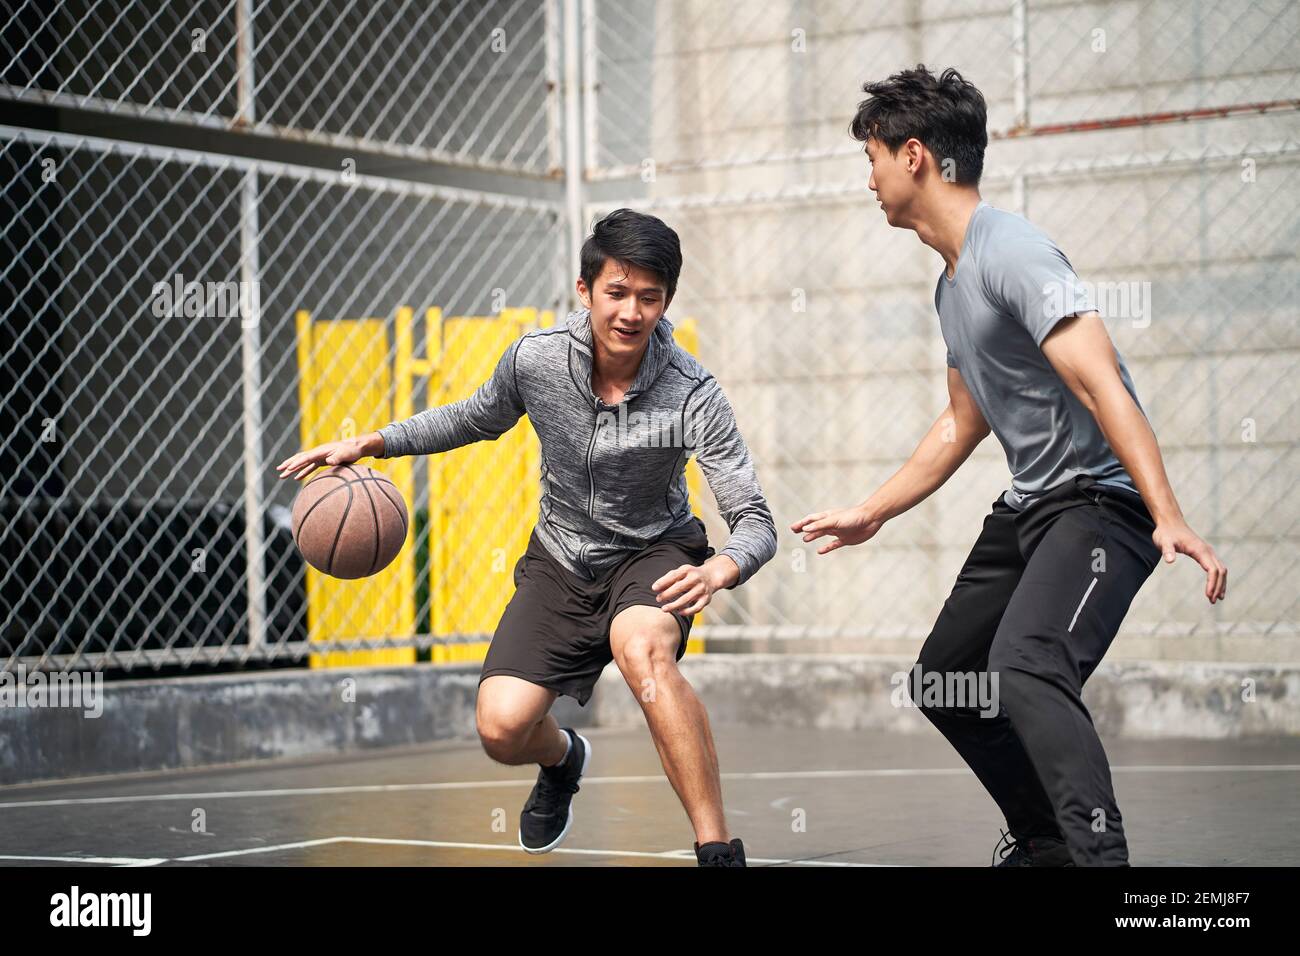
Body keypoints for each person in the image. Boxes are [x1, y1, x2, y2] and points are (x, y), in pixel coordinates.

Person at [792, 65, 1227, 866]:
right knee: (945, 679)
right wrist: (873, 510)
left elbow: (1102, 383)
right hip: (1033, 507)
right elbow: (963, 422)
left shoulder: (1013, 251)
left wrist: (1165, 512)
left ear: (914, 155)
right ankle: (1047, 844)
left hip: (1102, 505)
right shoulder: (952, 286)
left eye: (874, 159)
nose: (871, 179)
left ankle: (1103, 861)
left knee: (1026, 667)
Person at [277, 208, 776, 867]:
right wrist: (373, 442)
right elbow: (472, 418)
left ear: (666, 302)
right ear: (585, 289)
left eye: (648, 298)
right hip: (562, 560)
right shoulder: (536, 360)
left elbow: (755, 522)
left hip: (654, 553)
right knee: (502, 728)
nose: (630, 312)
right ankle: (564, 759)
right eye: (616, 293)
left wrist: (721, 570)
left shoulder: (693, 395)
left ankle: (717, 849)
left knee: (643, 650)